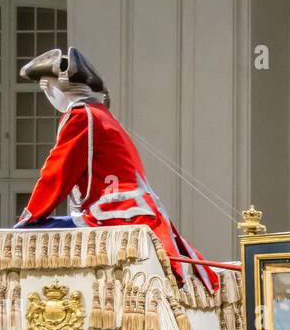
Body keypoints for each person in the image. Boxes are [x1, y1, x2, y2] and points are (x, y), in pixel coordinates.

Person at [15, 47, 215, 291]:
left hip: (114, 214)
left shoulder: (81, 115)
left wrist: (29, 217)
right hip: (134, 213)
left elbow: (57, 172)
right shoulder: (101, 114)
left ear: (51, 88)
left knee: (29, 236)